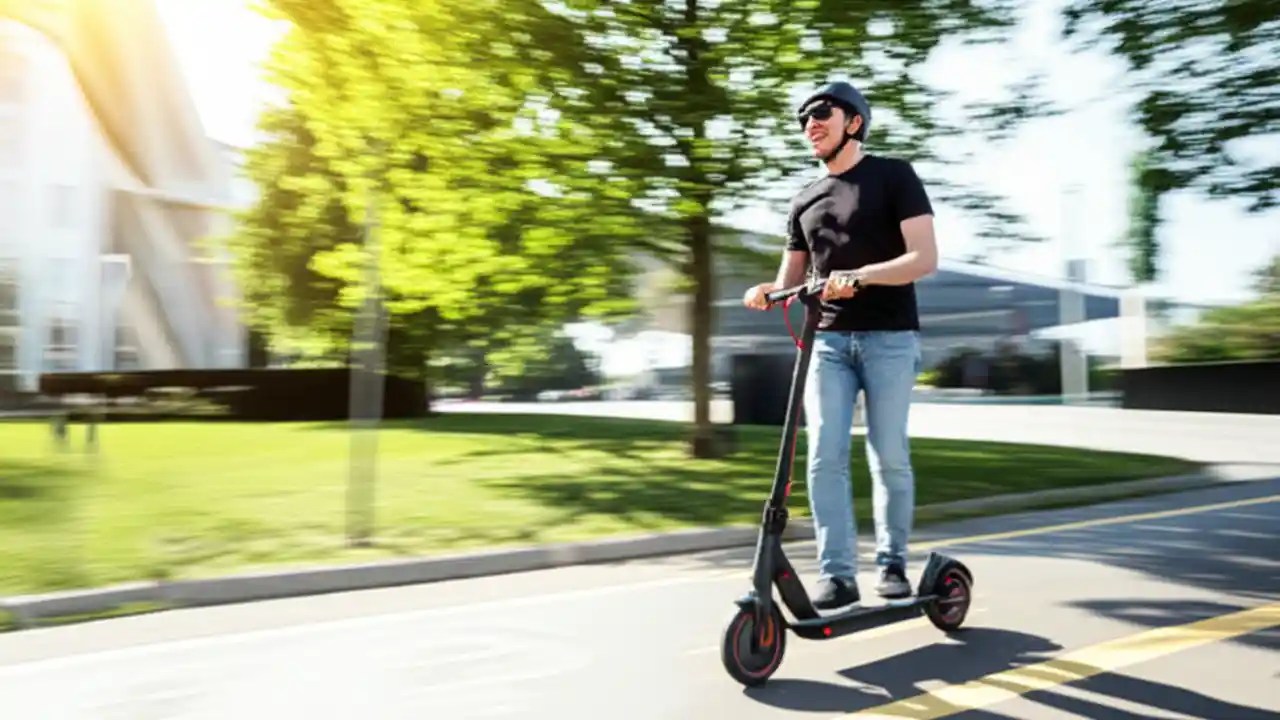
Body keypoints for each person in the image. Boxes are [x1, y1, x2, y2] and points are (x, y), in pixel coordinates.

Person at [742, 81, 938, 609]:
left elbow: (923, 258)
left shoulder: (894, 176)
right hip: (826, 341)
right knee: (823, 456)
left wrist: (862, 276)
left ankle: (893, 563)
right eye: (803, 118)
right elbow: (792, 276)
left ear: (854, 121)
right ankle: (838, 575)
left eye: (821, 113)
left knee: (888, 454)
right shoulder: (804, 199)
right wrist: (768, 290)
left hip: (890, 338)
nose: (810, 124)